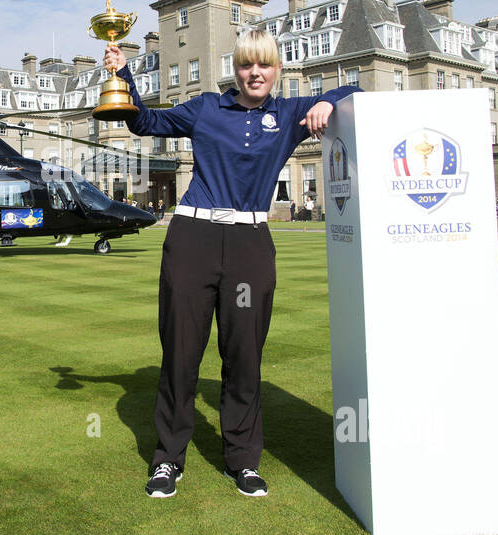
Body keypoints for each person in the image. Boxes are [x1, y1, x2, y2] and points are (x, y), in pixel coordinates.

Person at [105, 28, 359, 498]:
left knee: (244, 355)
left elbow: (359, 89)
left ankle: (242, 460)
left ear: (277, 71)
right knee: (181, 353)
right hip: (193, 238)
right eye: (246, 65)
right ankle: (168, 459)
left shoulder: (290, 114)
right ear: (236, 70)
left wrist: (331, 98)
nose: (255, 73)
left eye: (264, 65)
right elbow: (144, 123)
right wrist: (122, 75)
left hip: (250, 242)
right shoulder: (206, 108)